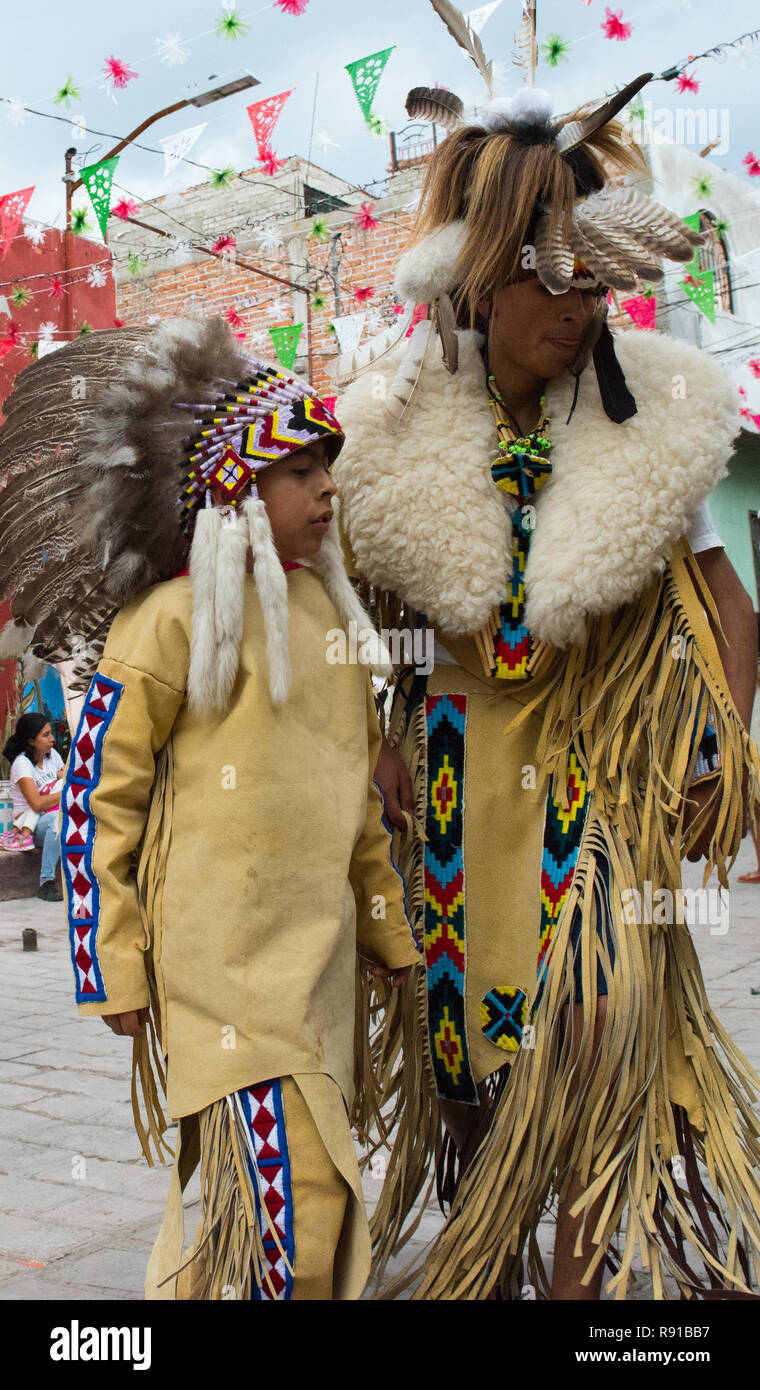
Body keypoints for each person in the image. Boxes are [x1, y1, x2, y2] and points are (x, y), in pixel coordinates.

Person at [333, 13, 760, 1302]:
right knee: (465, 1061)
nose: (576, 310)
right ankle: (489, 1259)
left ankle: (577, 1300)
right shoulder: (395, 432)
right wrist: (376, 746)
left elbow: (726, 602)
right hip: (457, 783)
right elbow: (355, 620)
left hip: (595, 777)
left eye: (593, 285)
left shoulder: (645, 429)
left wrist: (728, 748)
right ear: (478, 280)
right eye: (548, 282)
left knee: (593, 1040)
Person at [0, 320, 421, 1301]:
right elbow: (104, 801)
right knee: (302, 1205)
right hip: (220, 979)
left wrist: (386, 928)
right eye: (301, 469)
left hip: (314, 970)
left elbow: (354, 802)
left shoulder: (331, 618)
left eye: (330, 468)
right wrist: (111, 962)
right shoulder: (167, 622)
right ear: (234, 483)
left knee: (265, 1208)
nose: (327, 489)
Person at [2, 712, 64, 900]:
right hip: (29, 827)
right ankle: (46, 882)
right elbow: (36, 804)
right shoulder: (22, 764)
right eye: (45, 735)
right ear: (31, 741)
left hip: (53, 818)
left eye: (50, 733)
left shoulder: (53, 756)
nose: (52, 739)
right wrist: (64, 792)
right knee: (57, 820)